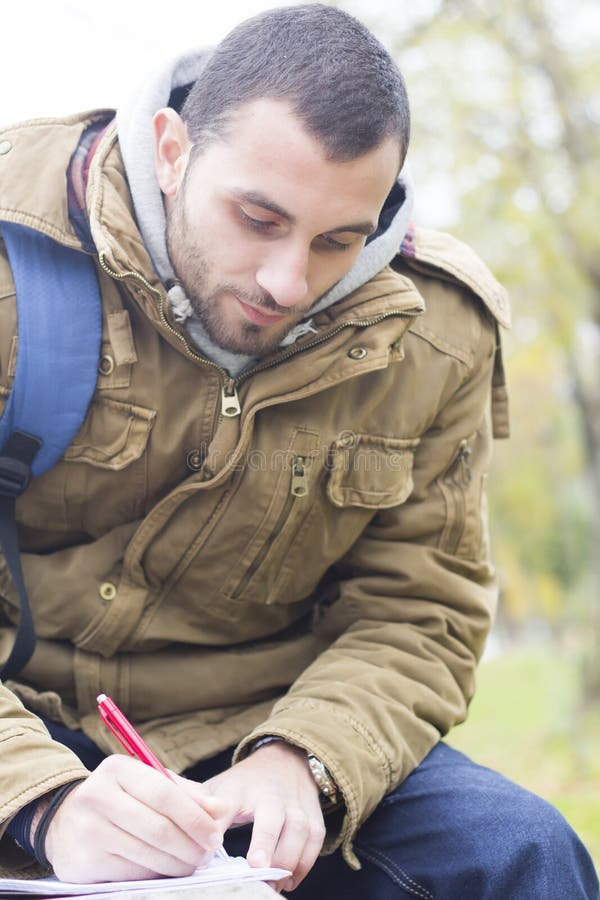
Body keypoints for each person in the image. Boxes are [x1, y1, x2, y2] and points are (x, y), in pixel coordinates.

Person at [0, 5, 597, 898]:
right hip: (22, 733)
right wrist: (41, 801)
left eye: (337, 240)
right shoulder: (15, 247)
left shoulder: (437, 334)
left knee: (522, 855)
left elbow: (418, 612)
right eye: (258, 218)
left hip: (258, 739)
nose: (288, 281)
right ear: (171, 150)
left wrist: (306, 760)